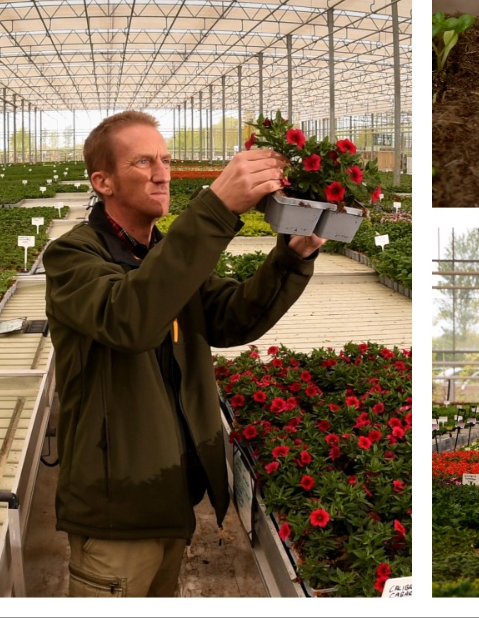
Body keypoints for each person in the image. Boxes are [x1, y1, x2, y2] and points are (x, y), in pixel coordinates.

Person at [43, 110, 325, 597]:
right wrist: (216, 208)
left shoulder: (163, 255)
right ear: (102, 181)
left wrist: (293, 254)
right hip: (117, 515)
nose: (162, 172)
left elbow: (233, 316)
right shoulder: (73, 257)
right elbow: (129, 317)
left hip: (172, 500)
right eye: (143, 162)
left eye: (167, 160)